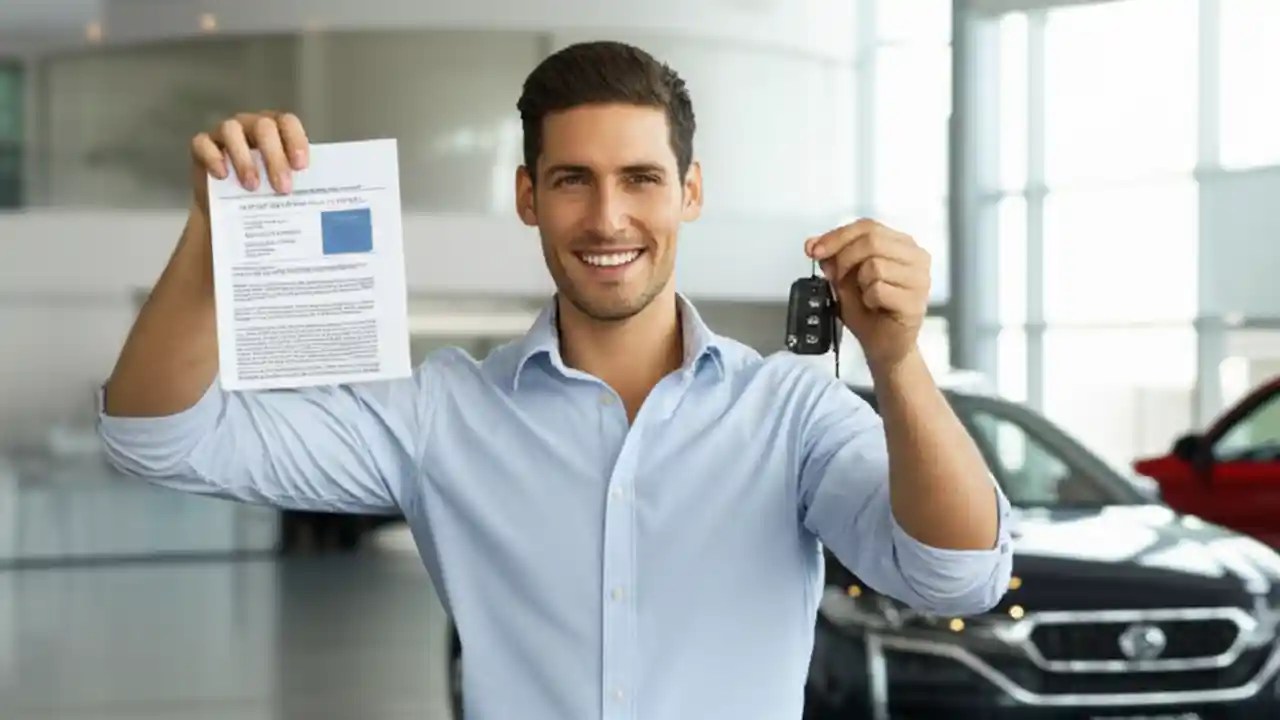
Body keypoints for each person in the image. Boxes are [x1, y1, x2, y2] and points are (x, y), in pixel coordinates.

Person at [98, 40, 1012, 720]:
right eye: (573, 180)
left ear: (689, 193)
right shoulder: (440, 415)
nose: (607, 217)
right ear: (528, 194)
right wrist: (216, 237)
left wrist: (896, 361)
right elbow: (157, 437)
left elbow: (959, 575)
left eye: (641, 179)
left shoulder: (791, 412)